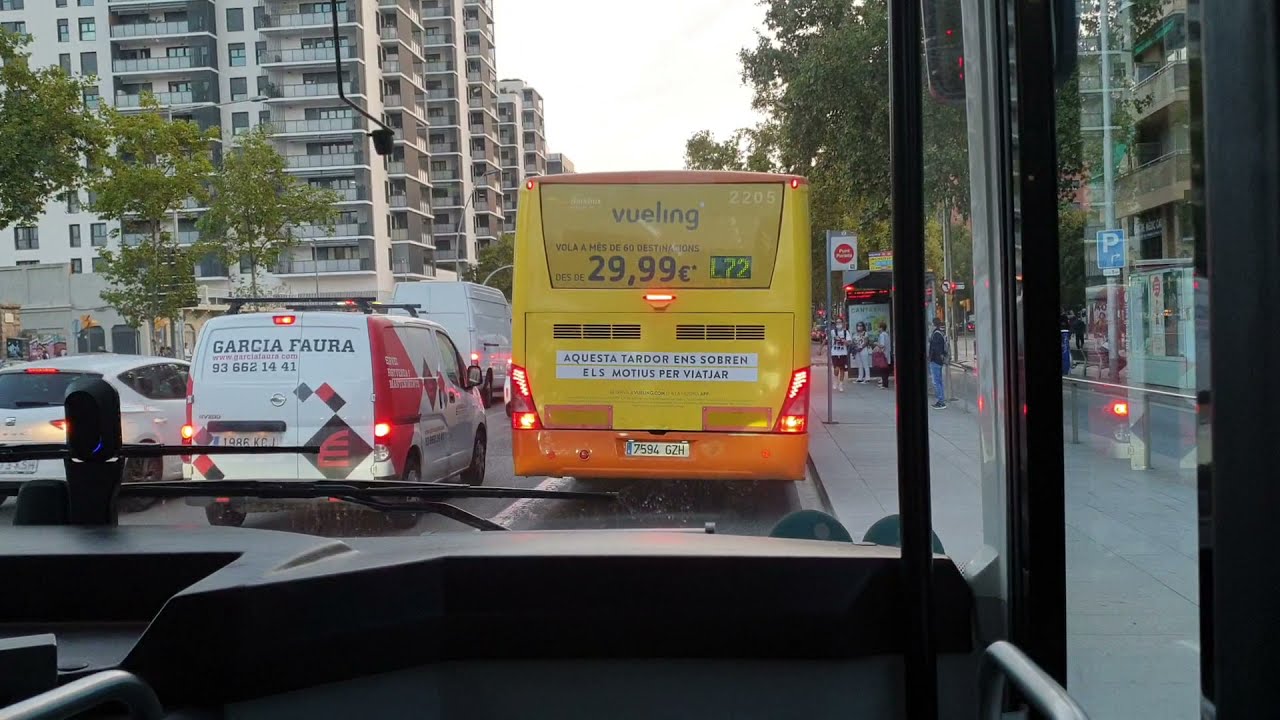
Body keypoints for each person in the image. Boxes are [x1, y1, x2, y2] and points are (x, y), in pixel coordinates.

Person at [928, 317, 948, 409]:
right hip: (939, 361)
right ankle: (941, 400)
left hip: (935, 360)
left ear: (933, 324)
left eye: (931, 324)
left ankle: (940, 401)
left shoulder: (936, 334)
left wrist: (930, 358)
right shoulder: (940, 333)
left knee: (936, 381)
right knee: (939, 381)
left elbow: (935, 349)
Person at [829, 319, 851, 392]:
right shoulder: (832, 332)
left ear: (843, 323)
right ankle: (835, 380)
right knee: (836, 368)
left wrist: (843, 341)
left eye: (840, 322)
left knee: (842, 369)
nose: (839, 324)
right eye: (837, 322)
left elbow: (849, 342)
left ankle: (841, 384)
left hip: (843, 353)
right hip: (835, 353)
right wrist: (821, 349)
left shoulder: (846, 332)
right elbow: (827, 340)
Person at [874, 322, 892, 388]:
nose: (878, 329)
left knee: (883, 370)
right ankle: (884, 383)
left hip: (883, 355)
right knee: (885, 370)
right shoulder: (886, 334)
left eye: (879, 327)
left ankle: (884, 384)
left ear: (881, 328)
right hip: (887, 354)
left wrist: (876, 343)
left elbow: (882, 345)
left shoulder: (882, 335)